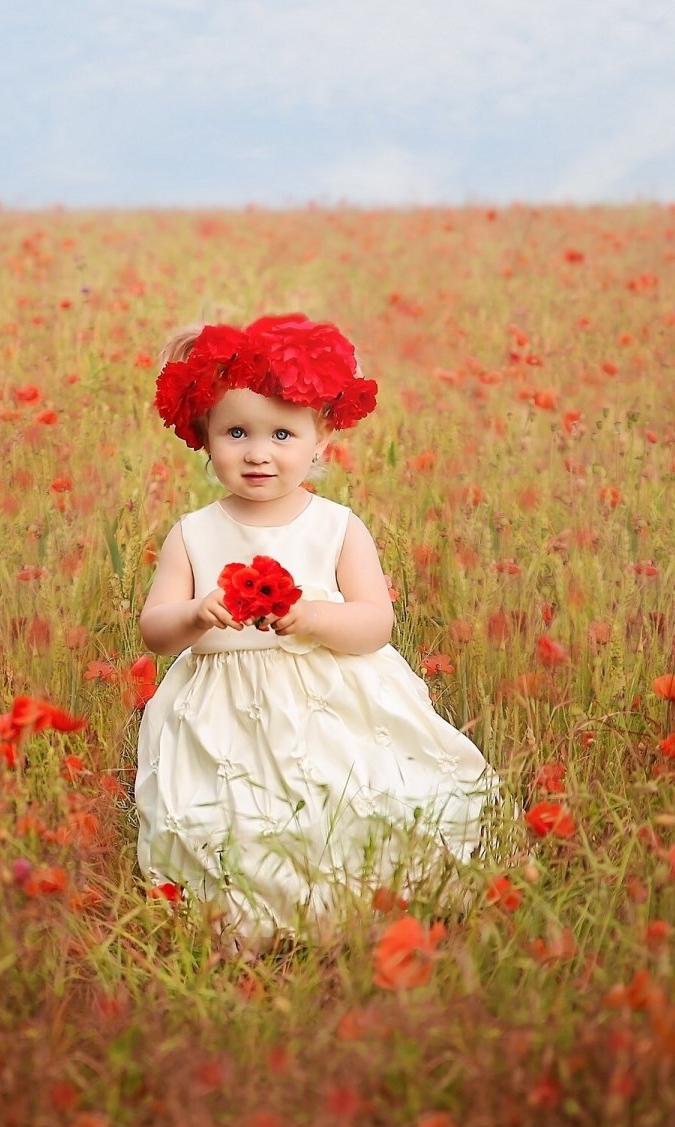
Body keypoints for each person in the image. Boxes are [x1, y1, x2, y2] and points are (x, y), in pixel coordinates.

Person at [135, 313, 499, 955]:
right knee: (235, 818)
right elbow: (155, 632)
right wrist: (195, 613)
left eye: (282, 434)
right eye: (236, 433)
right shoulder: (192, 533)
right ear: (205, 435)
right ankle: (249, 921)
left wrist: (312, 616)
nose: (258, 453)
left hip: (330, 697)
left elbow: (374, 623)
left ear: (320, 437)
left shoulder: (336, 526)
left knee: (362, 798)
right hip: (225, 713)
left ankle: (363, 907)